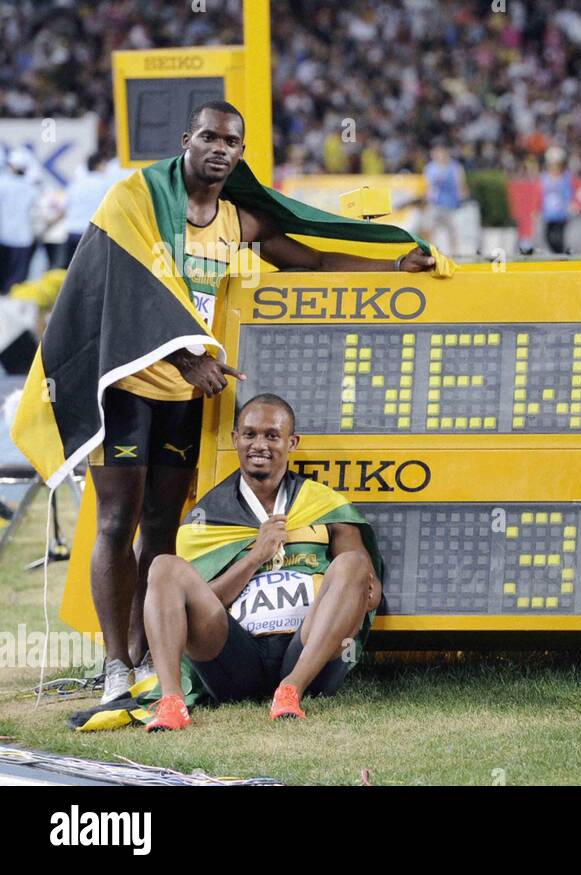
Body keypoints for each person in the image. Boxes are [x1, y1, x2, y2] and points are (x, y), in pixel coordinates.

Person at [91, 100, 446, 703]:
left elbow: (308, 259)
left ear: (241, 153)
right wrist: (184, 359)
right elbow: (119, 288)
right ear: (186, 140)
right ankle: (115, 666)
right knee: (115, 519)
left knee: (159, 526)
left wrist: (392, 265)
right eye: (208, 136)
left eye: (231, 141)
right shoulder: (139, 201)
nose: (219, 149)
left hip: (185, 394)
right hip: (126, 383)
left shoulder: (236, 222)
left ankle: (150, 656)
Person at [143, 394, 382, 730]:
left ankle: (290, 691)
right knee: (163, 567)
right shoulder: (209, 517)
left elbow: (369, 590)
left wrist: (358, 589)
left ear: (292, 442)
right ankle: (171, 702)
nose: (260, 444)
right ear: (234, 440)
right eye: (250, 434)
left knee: (354, 562)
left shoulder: (323, 504)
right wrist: (255, 556)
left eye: (272, 435)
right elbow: (197, 605)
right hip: (234, 658)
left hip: (309, 650)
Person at [0, 149, 39, 294]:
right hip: (23, 239)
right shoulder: (31, 188)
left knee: (3, 282)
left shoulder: (2, 184)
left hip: (4, 238)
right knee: (17, 284)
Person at [423, 143, 468, 255]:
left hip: (451, 205)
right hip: (435, 204)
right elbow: (427, 186)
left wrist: (462, 199)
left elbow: (461, 184)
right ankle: (430, 252)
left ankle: (455, 254)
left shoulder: (455, 167)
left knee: (452, 231)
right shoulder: (430, 168)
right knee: (429, 229)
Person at [540, 147, 574, 254]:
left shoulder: (565, 178)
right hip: (548, 213)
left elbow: (569, 194)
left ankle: (561, 257)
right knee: (548, 237)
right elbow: (541, 194)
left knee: (558, 238)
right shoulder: (545, 177)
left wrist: (569, 205)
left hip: (561, 214)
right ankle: (557, 255)